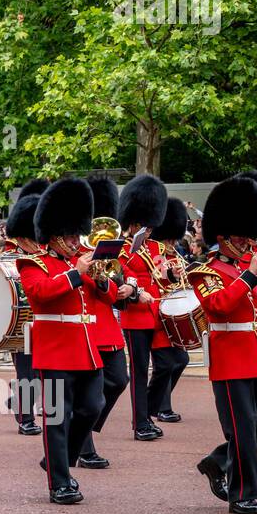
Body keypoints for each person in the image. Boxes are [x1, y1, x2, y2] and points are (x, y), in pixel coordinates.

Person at [190, 175, 257, 514]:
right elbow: (218, 306)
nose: (248, 241)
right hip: (229, 357)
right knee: (244, 428)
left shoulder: (249, 267)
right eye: (241, 235)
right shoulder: (205, 272)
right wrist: (251, 276)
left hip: (256, 355)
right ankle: (242, 494)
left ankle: (217, 462)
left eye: (248, 233)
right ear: (223, 236)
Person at [19, 177, 109, 504]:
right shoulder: (32, 263)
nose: (75, 240)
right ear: (53, 235)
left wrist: (99, 279)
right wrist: (75, 274)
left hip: (86, 348)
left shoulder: (82, 260)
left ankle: (56, 461)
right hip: (55, 350)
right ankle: (60, 483)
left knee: (92, 408)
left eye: (76, 234)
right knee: (57, 418)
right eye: (70, 235)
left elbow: (109, 297)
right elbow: (40, 294)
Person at [76, 175, 139, 468]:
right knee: (87, 391)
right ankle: (84, 446)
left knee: (118, 380)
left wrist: (128, 289)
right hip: (86, 326)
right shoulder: (75, 254)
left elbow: (114, 290)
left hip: (107, 326)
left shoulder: (109, 252)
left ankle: (80, 431)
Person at [115, 174, 170, 442]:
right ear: (132, 223)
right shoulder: (122, 250)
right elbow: (121, 278)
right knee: (139, 369)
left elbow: (163, 277)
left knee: (172, 362)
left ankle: (147, 411)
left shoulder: (157, 247)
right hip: (135, 315)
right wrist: (138, 294)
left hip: (157, 313)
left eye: (149, 227)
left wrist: (171, 272)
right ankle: (140, 423)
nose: (147, 231)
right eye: (142, 226)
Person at [1, 180, 48, 437]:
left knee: (42, 369)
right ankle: (25, 418)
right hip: (23, 319)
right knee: (27, 369)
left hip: (45, 315)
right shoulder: (13, 252)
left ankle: (19, 402)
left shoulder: (43, 248)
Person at [149, 199, 192, 421]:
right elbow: (159, 278)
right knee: (164, 364)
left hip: (176, 316)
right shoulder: (154, 255)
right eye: (169, 238)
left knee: (181, 360)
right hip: (159, 316)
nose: (172, 243)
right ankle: (160, 407)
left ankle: (153, 403)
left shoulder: (176, 256)